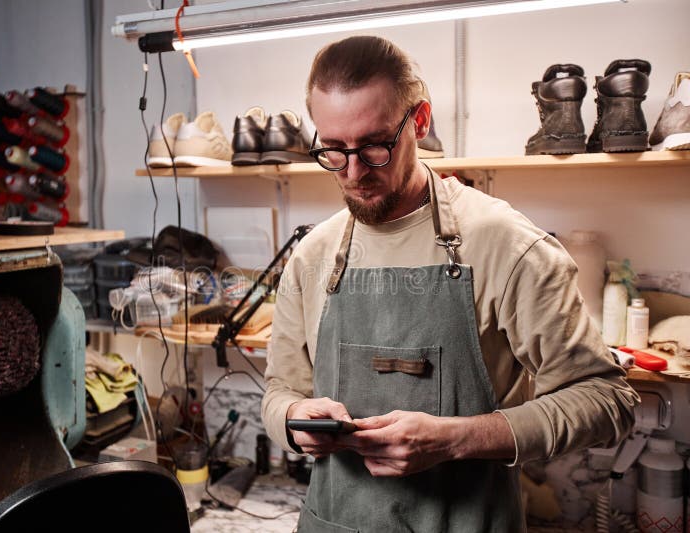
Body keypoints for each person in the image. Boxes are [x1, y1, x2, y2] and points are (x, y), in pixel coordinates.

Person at [260, 35, 638, 532]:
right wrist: (294, 420)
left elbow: (607, 399)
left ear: (418, 121)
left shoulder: (504, 243)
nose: (352, 172)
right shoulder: (313, 256)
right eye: (332, 149)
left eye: (374, 146)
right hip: (335, 521)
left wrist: (456, 439)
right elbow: (278, 391)